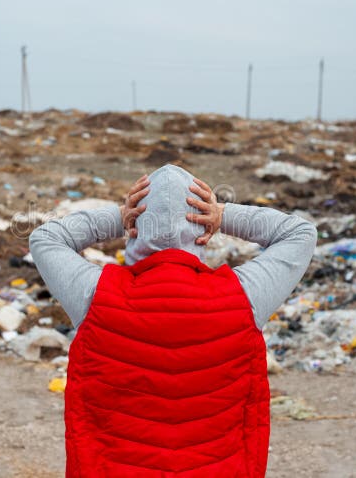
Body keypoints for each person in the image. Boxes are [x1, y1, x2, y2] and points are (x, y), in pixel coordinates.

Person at [29, 164, 317, 477]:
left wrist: (118, 216)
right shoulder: (244, 296)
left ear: (135, 226)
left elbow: (46, 238)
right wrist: (223, 214)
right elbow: (300, 233)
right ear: (201, 232)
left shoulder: (94, 295)